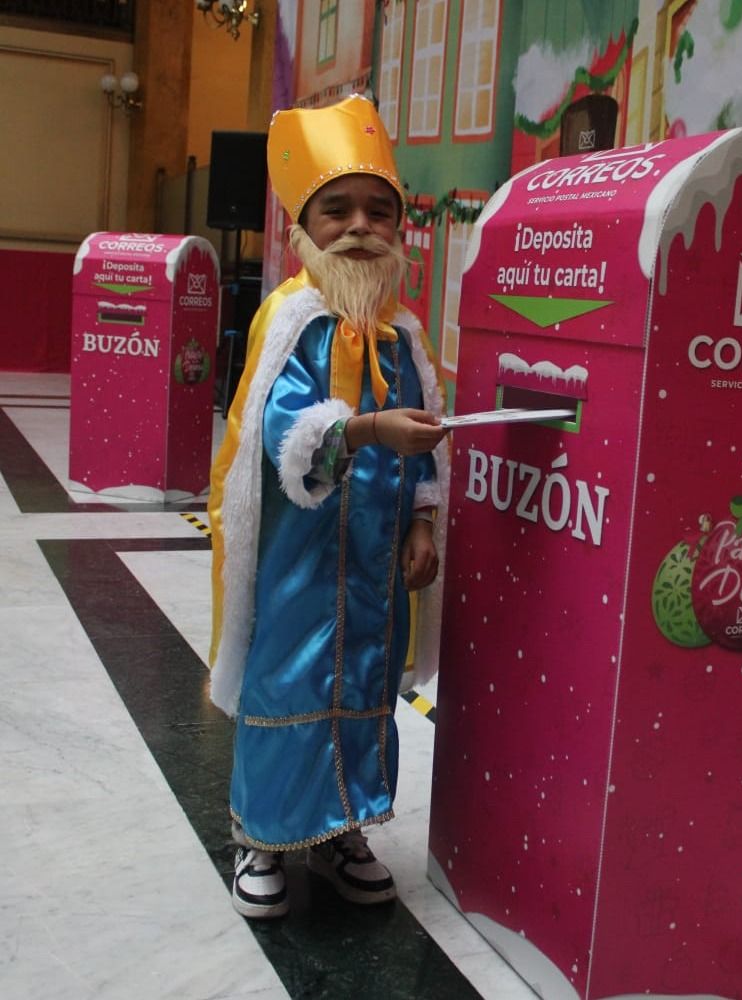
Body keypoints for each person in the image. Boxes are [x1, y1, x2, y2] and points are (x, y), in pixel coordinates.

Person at [207, 95, 450, 919]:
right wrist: (369, 426)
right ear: (302, 225)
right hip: (298, 561)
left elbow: (430, 440)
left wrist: (422, 519)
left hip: (373, 564)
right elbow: (281, 431)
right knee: (289, 682)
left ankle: (340, 827)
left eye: (379, 211)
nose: (359, 226)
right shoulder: (293, 319)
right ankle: (264, 832)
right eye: (337, 209)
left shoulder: (404, 333)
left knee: (364, 687)